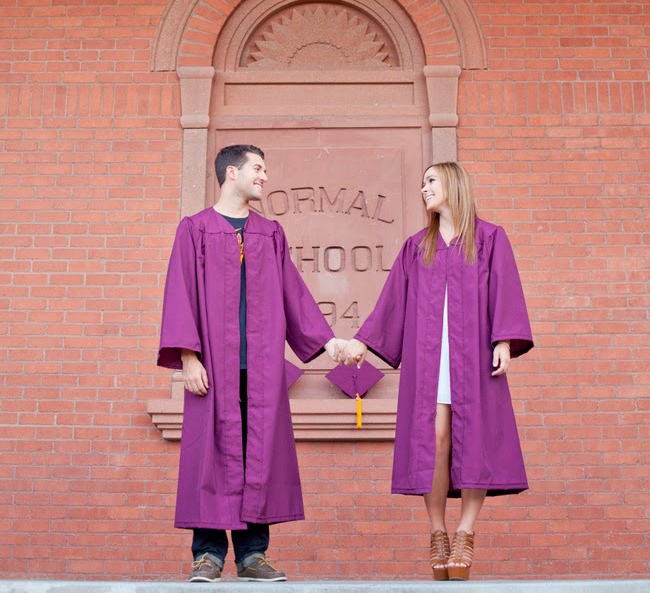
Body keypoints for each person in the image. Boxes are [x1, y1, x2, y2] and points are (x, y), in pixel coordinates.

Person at [158, 144, 345, 583]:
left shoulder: (269, 233)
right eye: (257, 168)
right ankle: (206, 554)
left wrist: (330, 343)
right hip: (213, 366)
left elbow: (293, 295)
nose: (264, 176)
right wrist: (189, 357)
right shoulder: (195, 229)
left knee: (258, 454)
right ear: (230, 174)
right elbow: (180, 292)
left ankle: (252, 555)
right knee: (210, 454)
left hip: (258, 367)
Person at [343, 161, 533, 581]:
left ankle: (465, 532)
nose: (424, 188)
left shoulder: (489, 238)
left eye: (431, 181)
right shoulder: (416, 246)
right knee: (436, 439)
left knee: (475, 439)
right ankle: (437, 531)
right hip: (430, 361)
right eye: (423, 183)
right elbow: (391, 300)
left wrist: (504, 339)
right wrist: (362, 342)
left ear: (452, 184)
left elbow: (505, 288)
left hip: (473, 359)